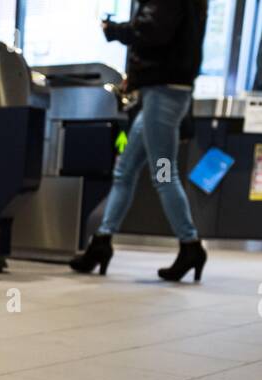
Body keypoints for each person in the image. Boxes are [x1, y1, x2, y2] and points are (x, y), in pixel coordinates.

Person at [70, 0, 209, 282]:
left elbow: (151, 31)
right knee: (125, 171)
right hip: (160, 91)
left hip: (164, 92)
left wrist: (114, 30)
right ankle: (101, 242)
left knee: (164, 174)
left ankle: (190, 245)